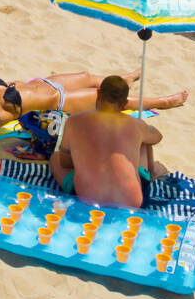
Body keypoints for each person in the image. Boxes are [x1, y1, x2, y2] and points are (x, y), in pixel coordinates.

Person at [0, 69, 187, 146]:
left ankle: (126, 78)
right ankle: (163, 101)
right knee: (108, 98)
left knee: (88, 76)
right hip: (61, 101)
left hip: (50, 83)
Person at [50, 76, 168, 207]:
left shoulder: (74, 121)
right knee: (145, 143)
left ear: (98, 94)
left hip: (87, 201)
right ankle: (152, 174)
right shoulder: (136, 125)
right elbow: (157, 137)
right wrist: (145, 129)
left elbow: (65, 163)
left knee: (55, 158)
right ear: (125, 103)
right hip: (133, 204)